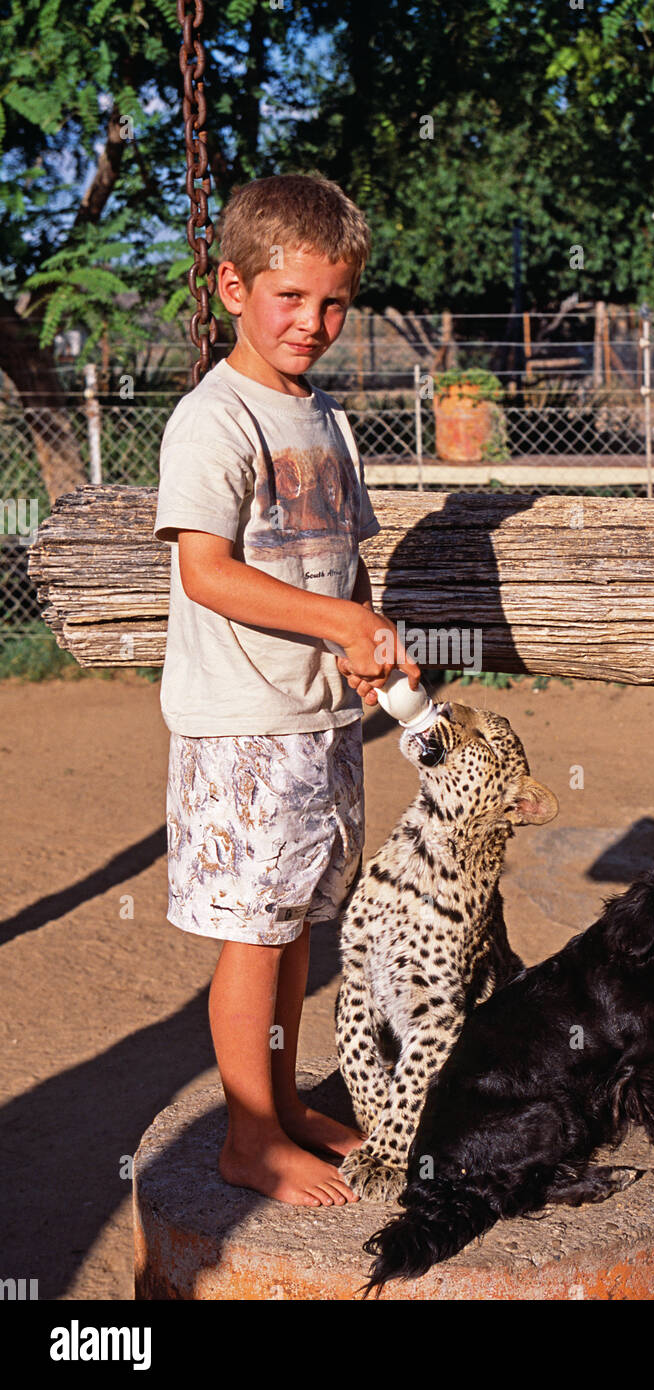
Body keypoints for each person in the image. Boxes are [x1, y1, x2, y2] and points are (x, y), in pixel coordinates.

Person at [152, 172, 421, 1207]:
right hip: (241, 729)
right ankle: (247, 1136)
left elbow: (342, 563)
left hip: (320, 722)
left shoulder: (328, 424)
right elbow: (205, 569)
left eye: (334, 303)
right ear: (230, 285)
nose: (313, 323)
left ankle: (281, 1099)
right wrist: (342, 622)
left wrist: (358, 634)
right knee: (253, 935)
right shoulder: (213, 420)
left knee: (299, 926)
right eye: (290, 298)